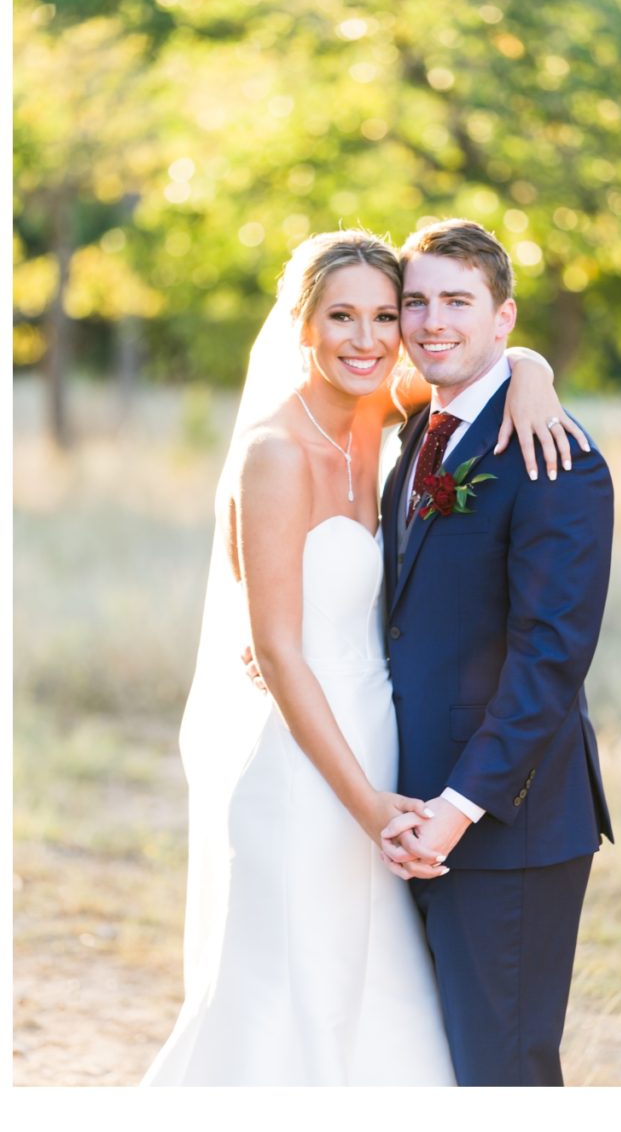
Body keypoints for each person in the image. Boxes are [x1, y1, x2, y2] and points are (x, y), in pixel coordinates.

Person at [142, 228, 581, 1086]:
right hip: (308, 765)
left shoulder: (383, 407)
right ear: (301, 325)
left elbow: (481, 359)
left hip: (385, 744)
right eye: (342, 316)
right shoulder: (274, 454)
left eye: (386, 315)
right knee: (295, 993)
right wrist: (369, 806)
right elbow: (277, 651)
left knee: (381, 994)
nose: (369, 337)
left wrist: (534, 370)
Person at [377, 219, 614, 1087]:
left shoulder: (555, 455)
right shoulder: (417, 430)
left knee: (501, 1074)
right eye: (416, 302)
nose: (433, 322)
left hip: (503, 821)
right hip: (403, 812)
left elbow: (551, 656)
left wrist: (460, 805)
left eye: (458, 301)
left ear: (504, 316)